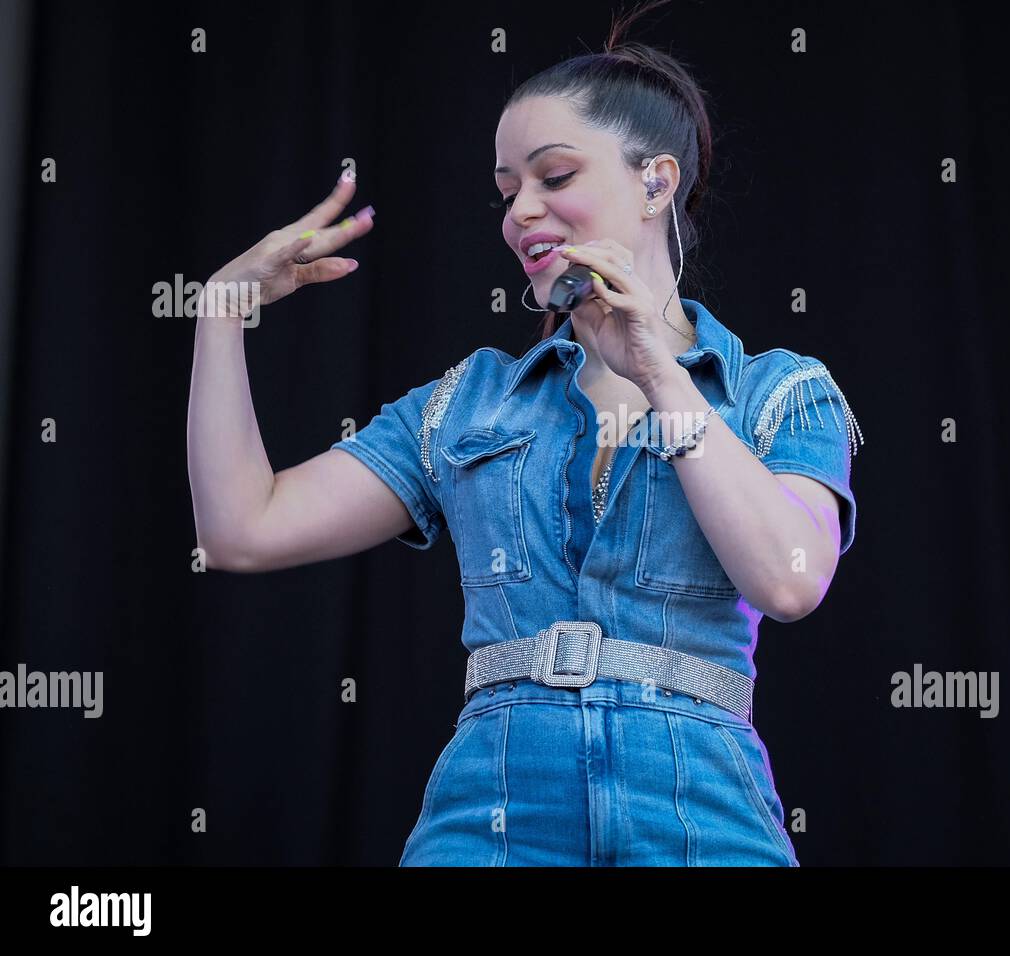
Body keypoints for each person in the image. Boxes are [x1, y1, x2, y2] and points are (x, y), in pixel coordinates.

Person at [187, 1, 863, 866]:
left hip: (703, 816)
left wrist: (660, 373)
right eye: (508, 192)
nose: (521, 214)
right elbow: (243, 528)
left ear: (656, 182)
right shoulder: (469, 404)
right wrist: (220, 314)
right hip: (494, 818)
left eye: (553, 176)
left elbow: (790, 580)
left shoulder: (780, 391)